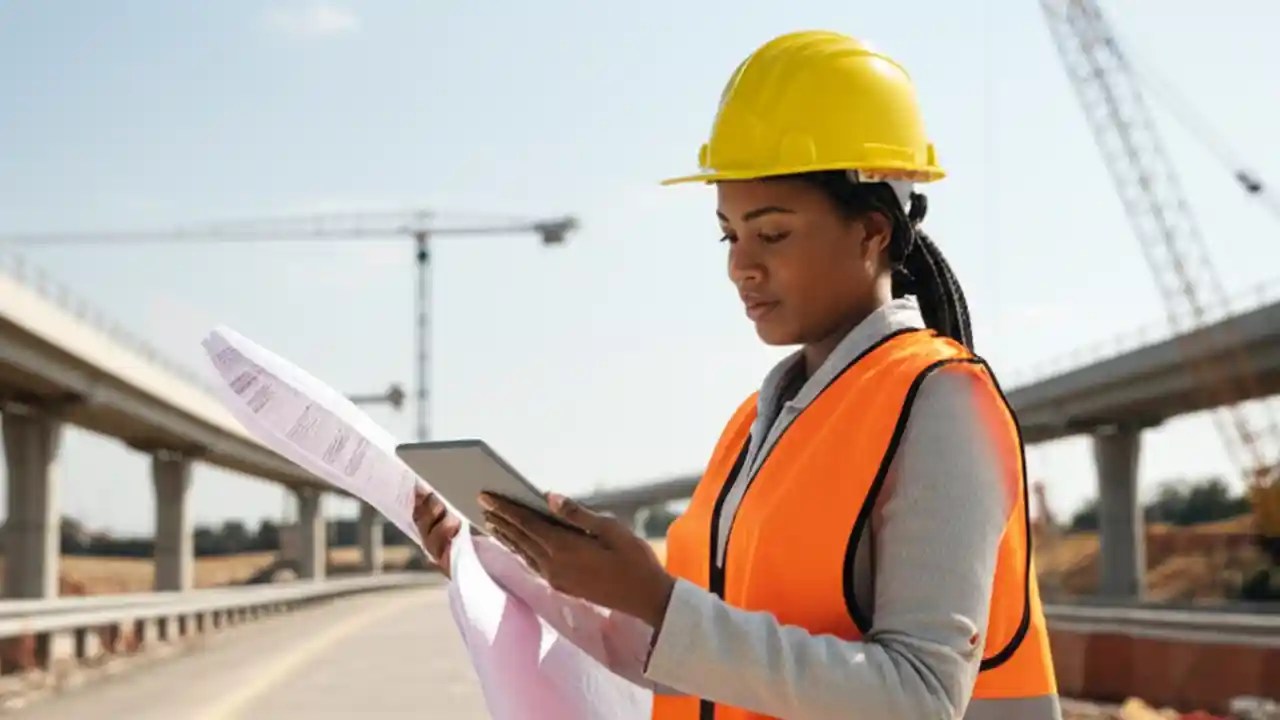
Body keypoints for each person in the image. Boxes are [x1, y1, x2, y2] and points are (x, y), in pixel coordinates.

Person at [414, 29, 1061, 720]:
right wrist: (506, 560)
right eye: (730, 234)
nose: (740, 266)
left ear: (872, 233)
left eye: (772, 233)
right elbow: (682, 654)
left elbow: (920, 697)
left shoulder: (939, 401)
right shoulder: (756, 427)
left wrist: (657, 601)